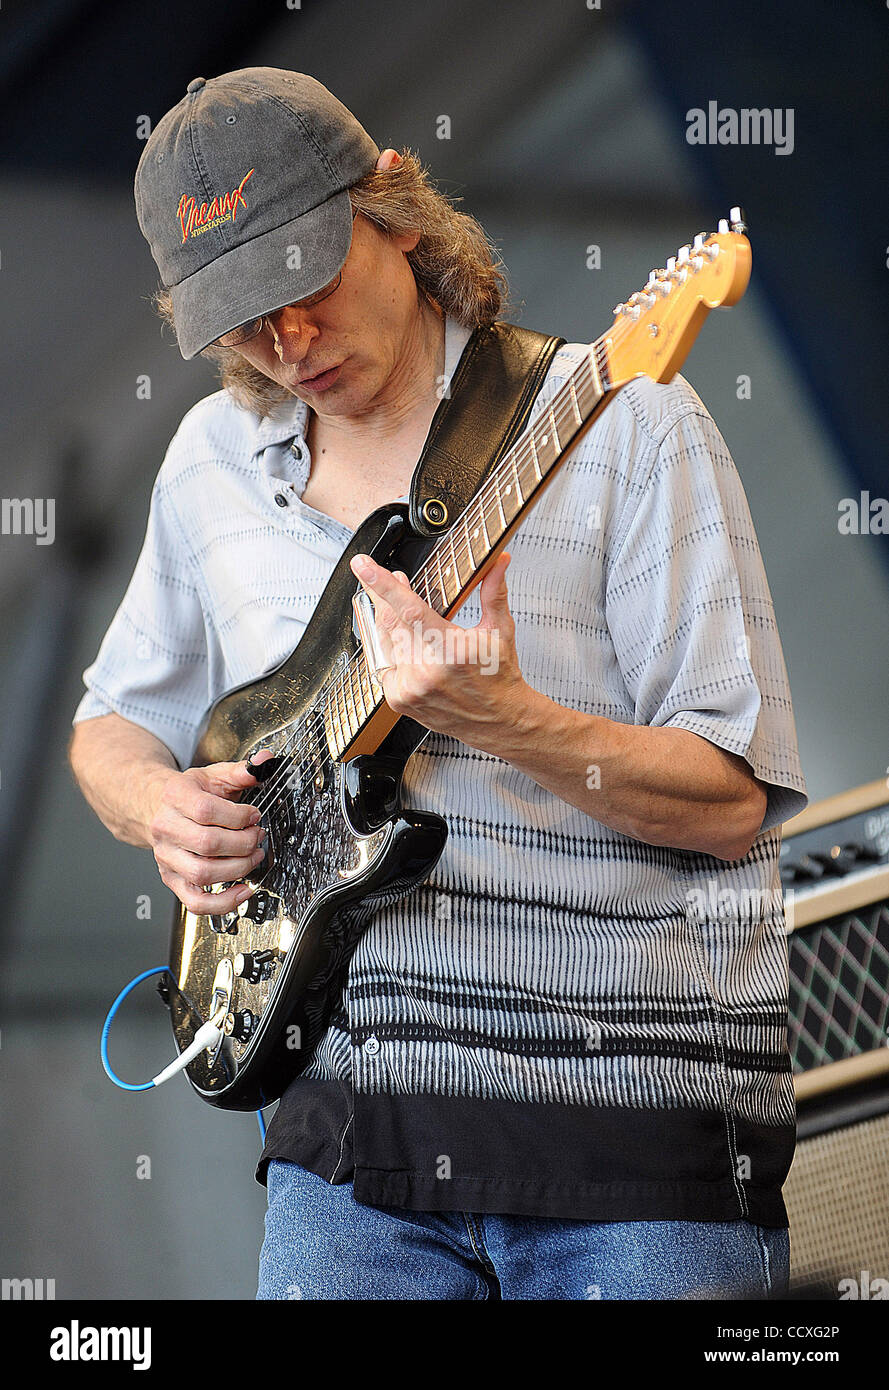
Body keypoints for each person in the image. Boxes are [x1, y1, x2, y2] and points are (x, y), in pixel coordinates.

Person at [69, 68, 809, 1301]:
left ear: (397, 207)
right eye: (241, 317)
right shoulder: (209, 461)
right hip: (343, 1166)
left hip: (629, 1154)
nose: (285, 343)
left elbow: (732, 802)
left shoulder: (631, 423)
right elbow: (109, 726)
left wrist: (506, 723)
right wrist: (162, 809)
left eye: (303, 284)